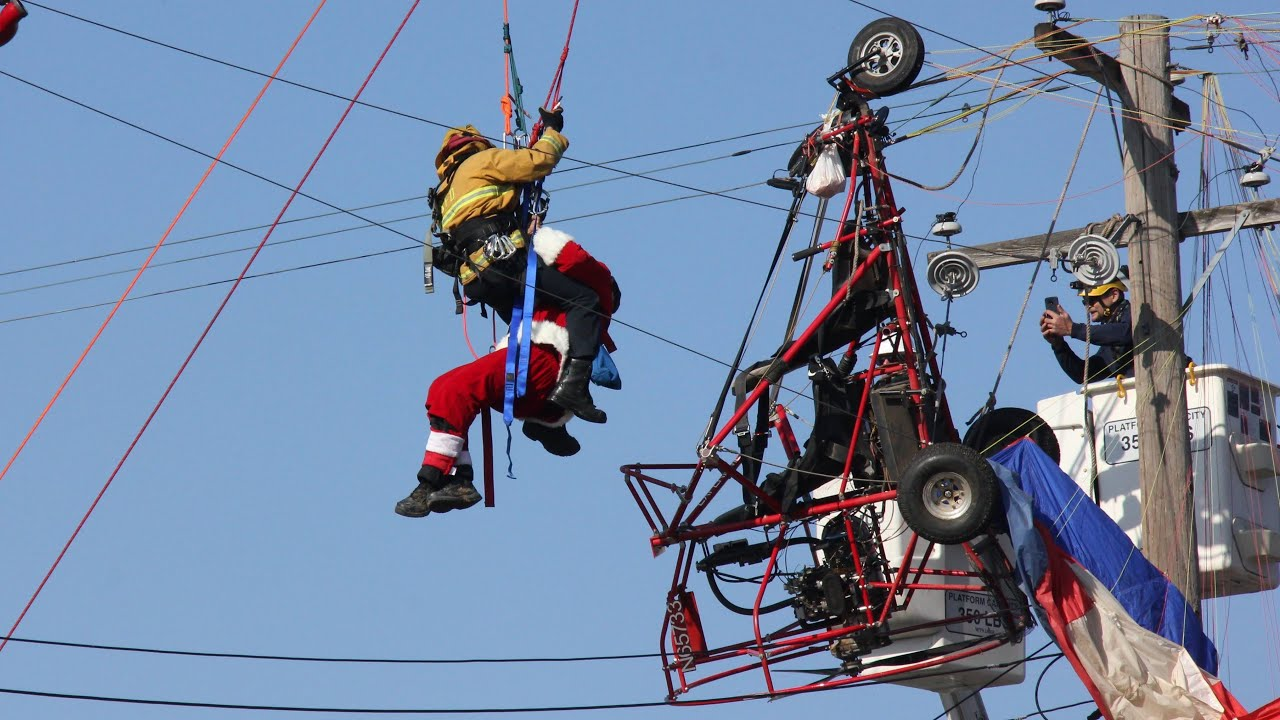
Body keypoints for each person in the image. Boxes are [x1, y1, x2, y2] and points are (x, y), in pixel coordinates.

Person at [395, 229, 618, 518]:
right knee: (442, 387)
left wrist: (536, 237)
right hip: (527, 372)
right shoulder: (543, 298)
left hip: (542, 365)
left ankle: (431, 479)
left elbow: (573, 258)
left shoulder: (592, 292)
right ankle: (460, 477)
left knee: (456, 388)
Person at [430, 106, 607, 424]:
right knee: (585, 301)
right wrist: (552, 133)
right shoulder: (481, 161)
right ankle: (572, 389)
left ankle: (548, 417)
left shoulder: (444, 194)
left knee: (534, 327)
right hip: (507, 265)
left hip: (478, 279)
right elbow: (537, 163)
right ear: (476, 144)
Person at [1040, 279, 1134, 384]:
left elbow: (1125, 333)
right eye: (1085, 302)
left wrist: (1072, 329)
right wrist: (1059, 345)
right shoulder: (1114, 343)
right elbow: (1083, 374)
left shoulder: (1137, 315)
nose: (1088, 307)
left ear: (1114, 295)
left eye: (1092, 300)